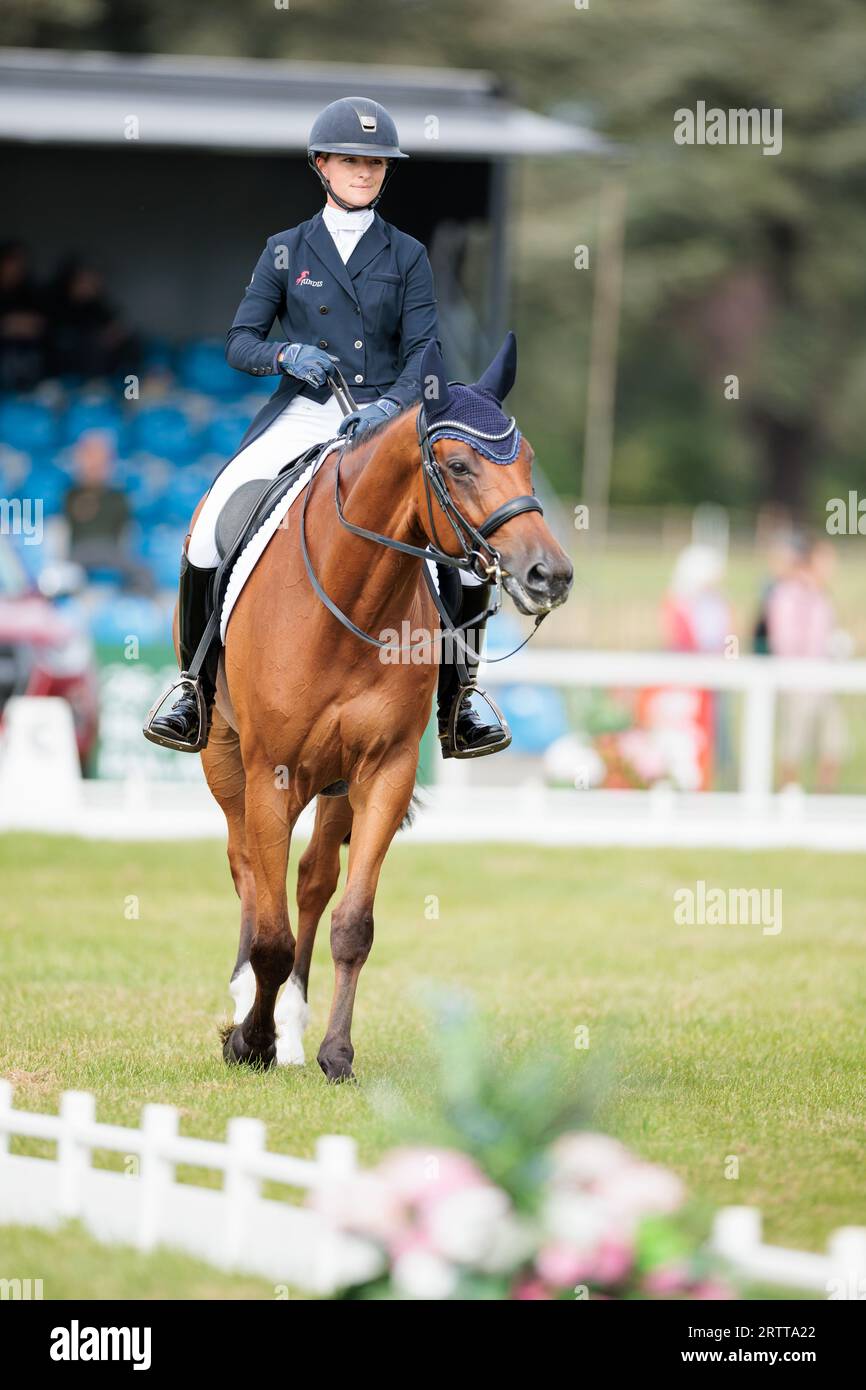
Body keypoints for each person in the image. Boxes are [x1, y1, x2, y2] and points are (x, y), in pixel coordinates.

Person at [145, 96, 506, 757]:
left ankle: (464, 696)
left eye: (375, 163)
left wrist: (389, 408)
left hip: (388, 419)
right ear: (322, 166)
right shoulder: (284, 251)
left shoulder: (409, 255)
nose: (364, 172)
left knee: (464, 549)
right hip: (304, 411)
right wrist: (286, 354)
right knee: (212, 522)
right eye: (350, 160)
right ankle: (192, 688)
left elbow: (428, 355)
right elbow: (241, 341)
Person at [766, 535, 847, 792]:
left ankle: (824, 801)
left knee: (833, 743)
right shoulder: (788, 594)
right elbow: (784, 640)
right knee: (793, 745)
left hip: (823, 682)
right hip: (798, 681)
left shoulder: (821, 596)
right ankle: (789, 799)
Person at [62, 429, 154, 594]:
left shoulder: (118, 496)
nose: (94, 464)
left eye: (100, 459)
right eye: (89, 457)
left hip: (112, 552)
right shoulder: (70, 494)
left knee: (143, 573)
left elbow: (127, 534)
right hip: (78, 554)